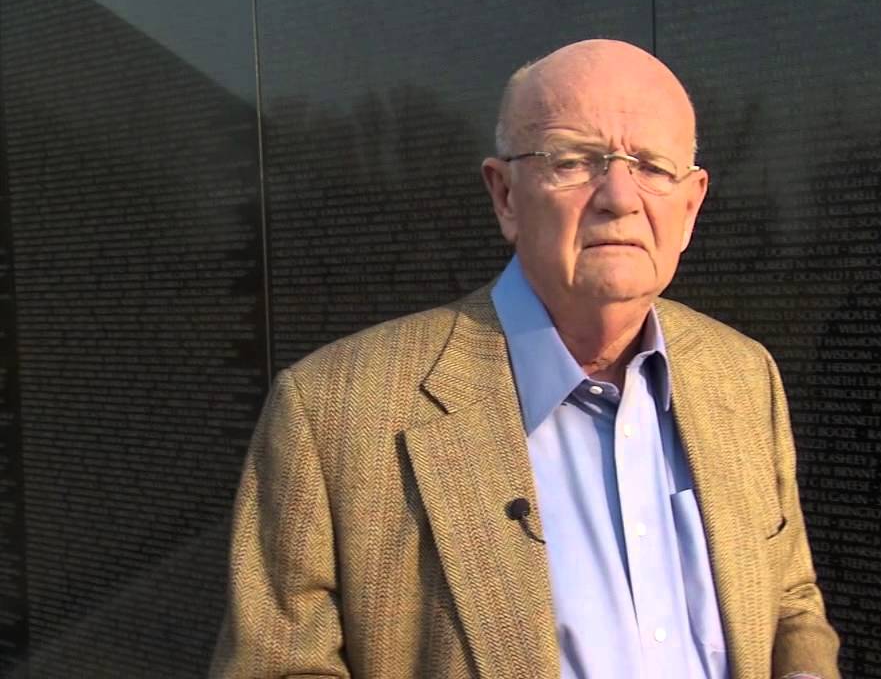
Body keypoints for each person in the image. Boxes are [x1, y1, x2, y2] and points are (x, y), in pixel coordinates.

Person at [209, 39, 839, 679]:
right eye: (574, 160)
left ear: (690, 205)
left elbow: (789, 600)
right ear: (506, 195)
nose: (619, 196)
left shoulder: (743, 375)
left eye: (651, 166)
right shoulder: (331, 412)